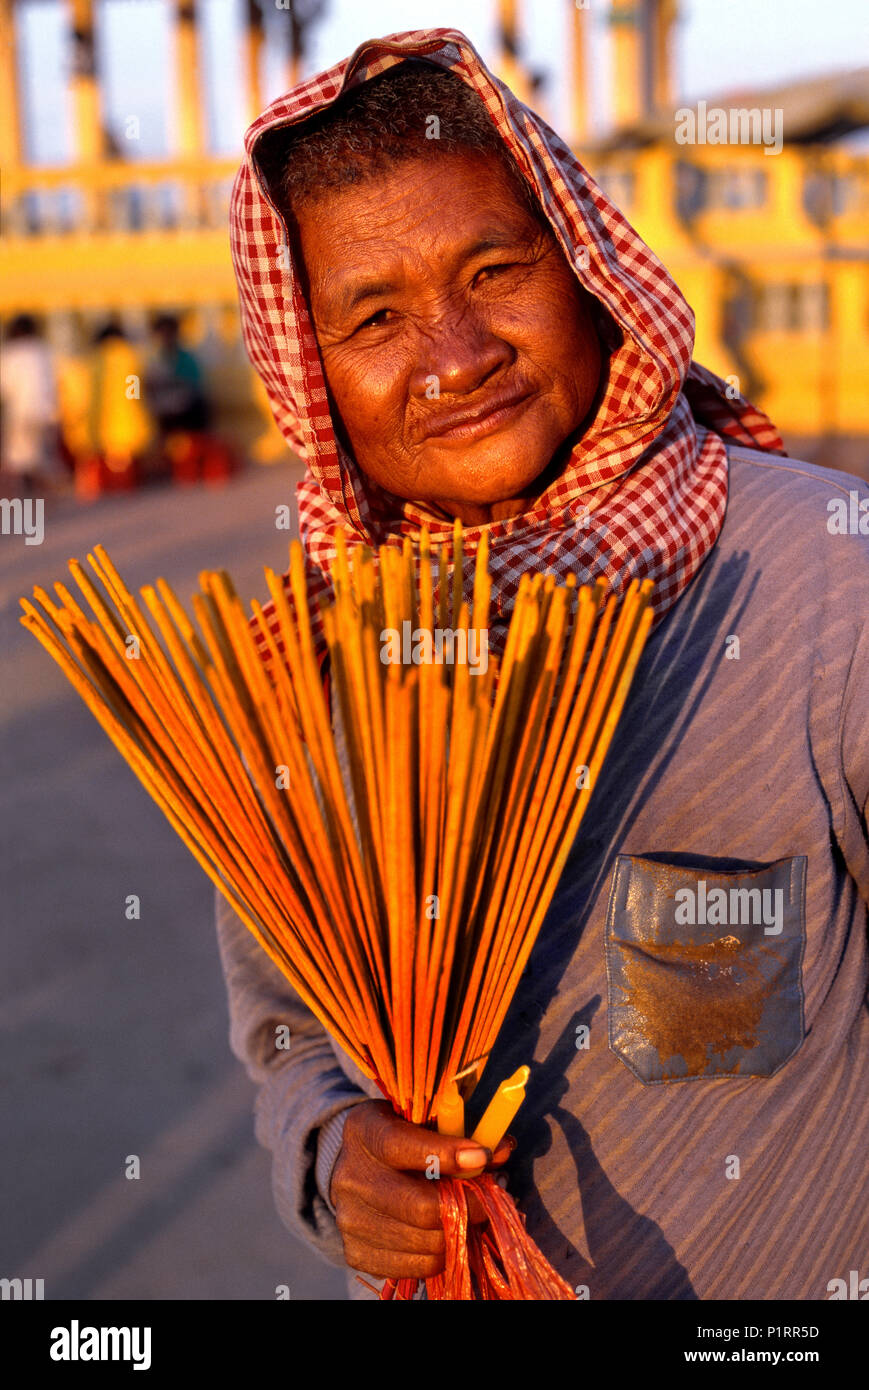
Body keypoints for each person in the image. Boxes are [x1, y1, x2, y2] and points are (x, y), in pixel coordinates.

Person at [217, 30, 868, 1300]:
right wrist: (326, 1149)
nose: (455, 354)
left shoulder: (822, 580)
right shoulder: (305, 656)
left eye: (495, 270)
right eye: (374, 315)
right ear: (311, 375)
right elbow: (285, 1019)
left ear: (585, 272)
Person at [0, 314, 61, 493]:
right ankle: (47, 497)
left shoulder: (11, 353)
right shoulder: (45, 350)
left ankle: (16, 501)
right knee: (41, 458)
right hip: (46, 413)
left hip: (21, 412)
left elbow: (5, 387)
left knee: (17, 460)